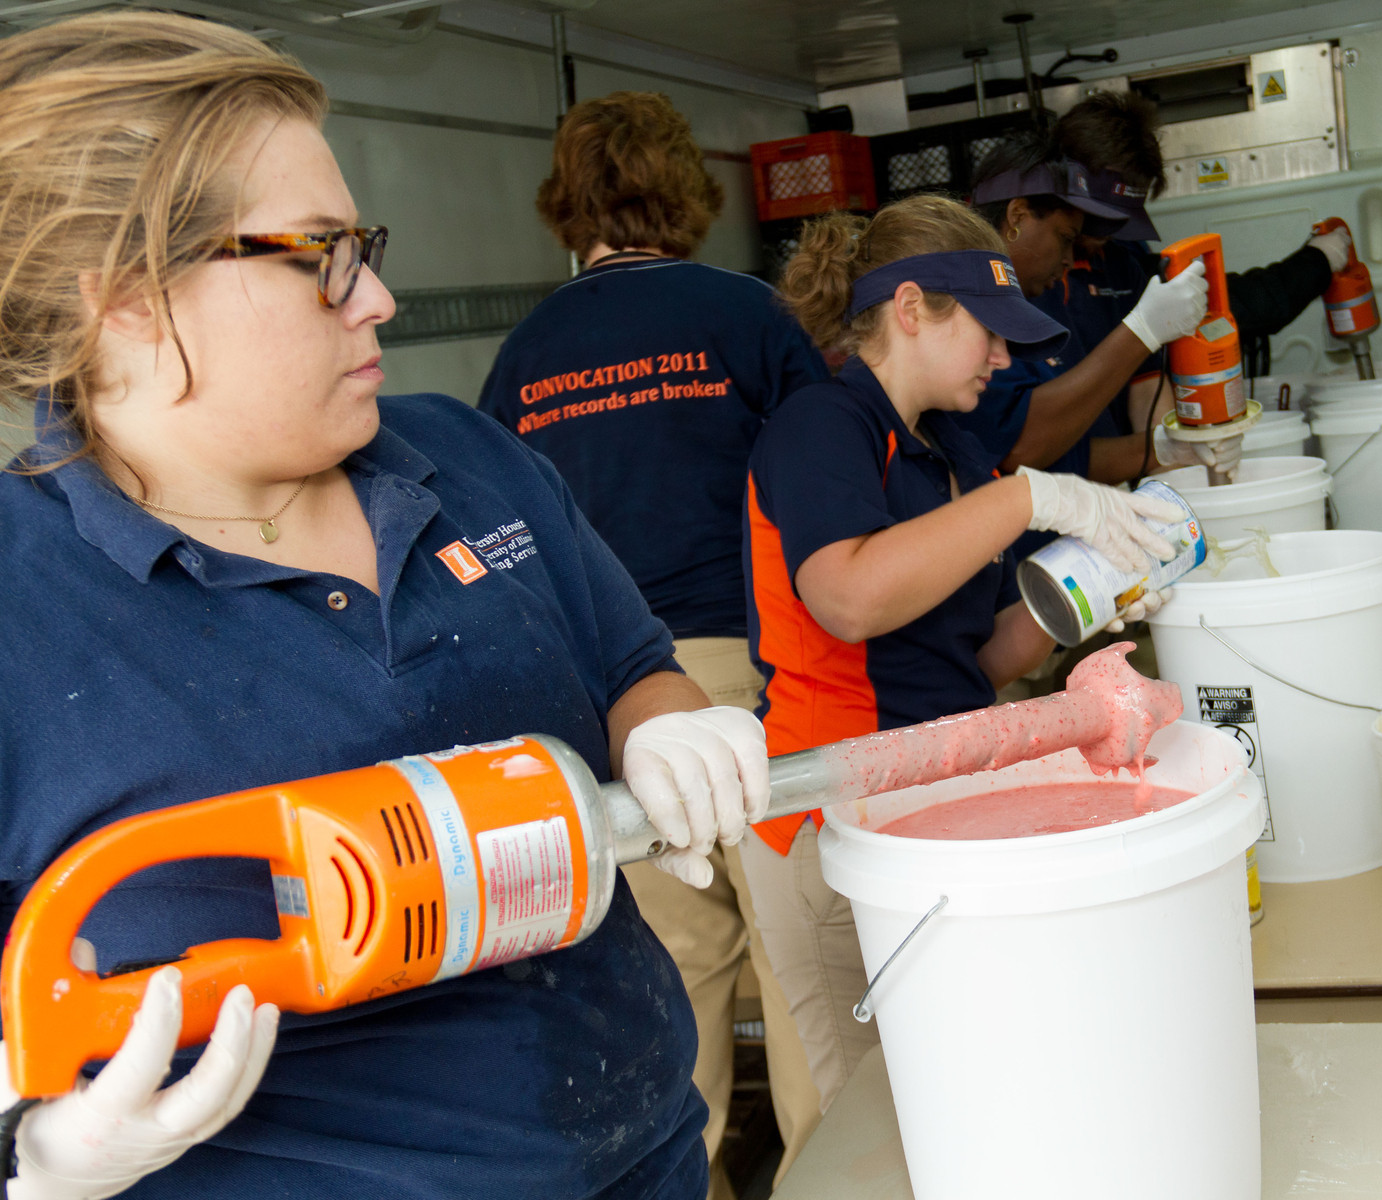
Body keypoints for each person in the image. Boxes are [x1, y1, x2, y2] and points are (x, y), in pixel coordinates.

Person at [0, 13, 771, 1198]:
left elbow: (631, 670)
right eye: (321, 256)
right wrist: (26, 1156)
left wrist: (674, 729)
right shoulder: (22, 603)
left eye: (364, 246)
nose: (380, 299)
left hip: (648, 1157)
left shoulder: (467, 458)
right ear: (133, 300)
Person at [739, 193, 1184, 1113]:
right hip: (831, 818)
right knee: (862, 1124)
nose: (1003, 357)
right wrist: (1030, 499)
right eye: (987, 330)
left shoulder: (953, 449)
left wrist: (1092, 589)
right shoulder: (821, 425)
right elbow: (849, 599)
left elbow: (972, 664)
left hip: (932, 804)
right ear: (911, 309)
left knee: (956, 1102)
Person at [477, 92, 825, 1196]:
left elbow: (506, 544)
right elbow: (829, 492)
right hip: (755, 682)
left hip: (613, 713)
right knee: (806, 973)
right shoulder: (749, 316)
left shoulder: (524, 357)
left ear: (565, 203)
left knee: (681, 976)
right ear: (686, 189)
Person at [1053, 90, 1352, 426]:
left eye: (1121, 220)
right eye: (1102, 217)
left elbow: (1149, 388)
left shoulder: (1120, 265)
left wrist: (1171, 449)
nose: (1108, 233)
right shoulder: (1029, 276)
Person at [957, 132, 1216, 505]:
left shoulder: (1011, 305)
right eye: (1065, 238)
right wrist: (1141, 332)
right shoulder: (963, 305)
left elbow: (1062, 454)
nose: (1068, 259)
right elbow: (1020, 448)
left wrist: (1166, 449)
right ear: (1017, 216)